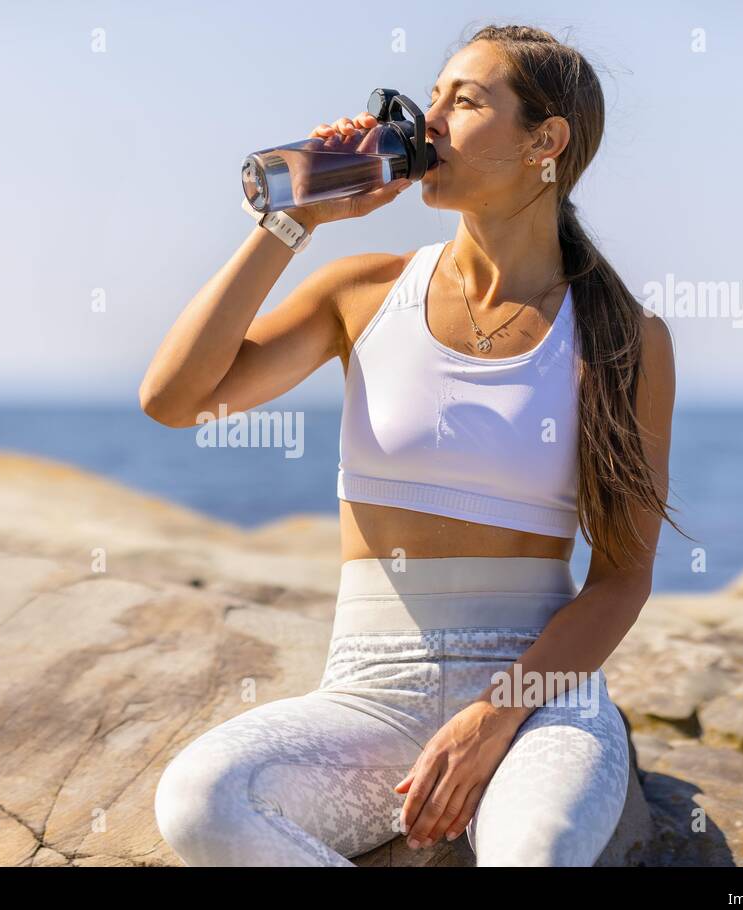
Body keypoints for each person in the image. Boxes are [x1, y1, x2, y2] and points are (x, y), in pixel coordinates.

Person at [139, 23, 684, 866]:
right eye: (430, 98)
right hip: (369, 690)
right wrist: (293, 222)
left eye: (464, 102)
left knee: (533, 854)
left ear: (546, 140)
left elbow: (622, 578)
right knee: (202, 800)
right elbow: (175, 400)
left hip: (538, 696)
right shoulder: (363, 292)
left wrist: (495, 716)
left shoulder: (621, 335)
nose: (427, 123)